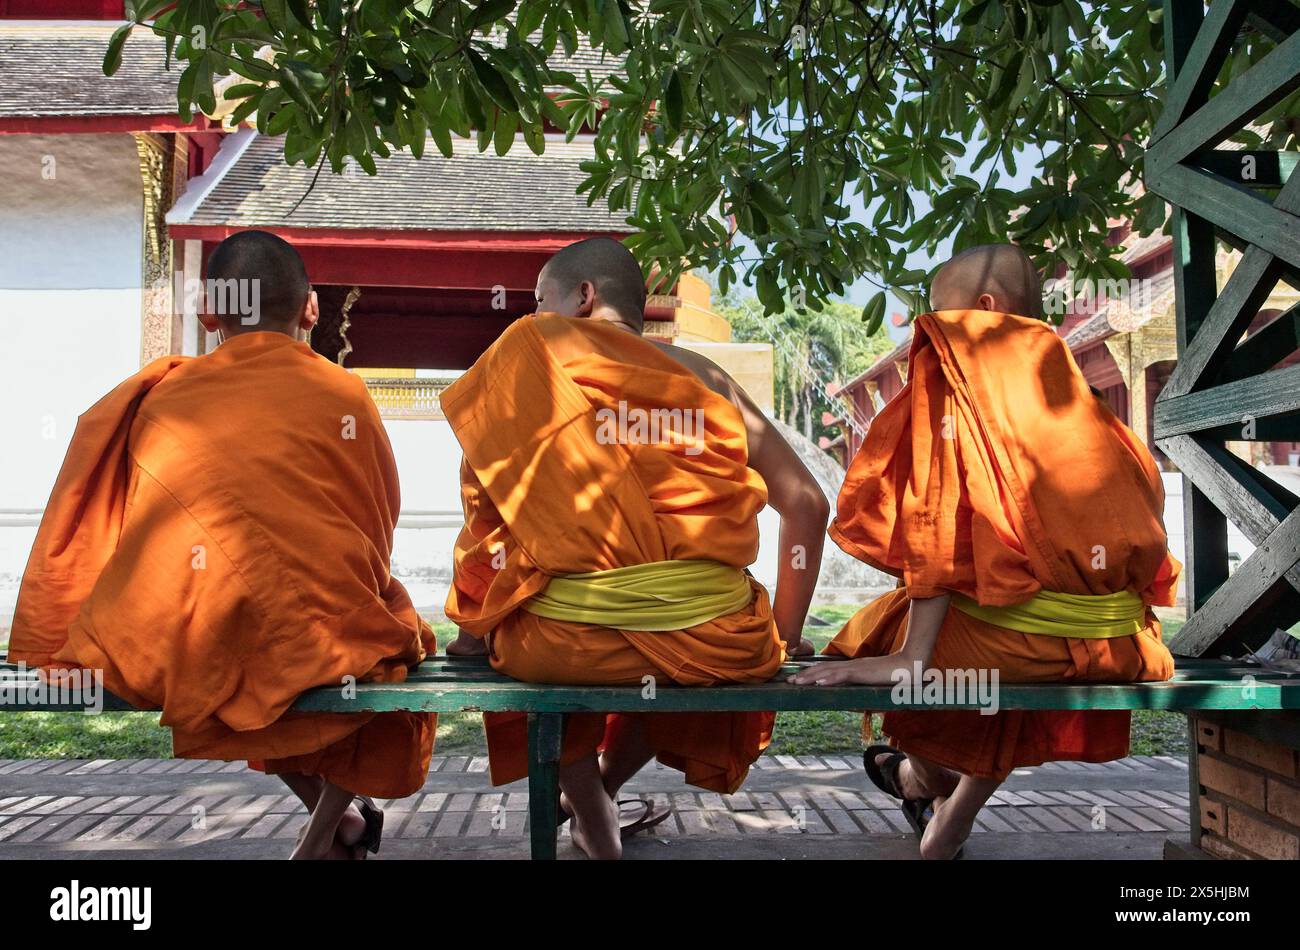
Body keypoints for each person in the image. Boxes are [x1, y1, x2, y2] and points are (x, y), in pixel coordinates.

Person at [8, 230, 437, 859]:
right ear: (311, 309)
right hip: (322, 626)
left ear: (209, 311)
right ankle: (329, 834)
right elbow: (378, 519)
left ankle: (326, 836)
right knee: (353, 659)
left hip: (201, 632)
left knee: (226, 663)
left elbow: (143, 533)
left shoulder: (166, 400)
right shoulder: (345, 394)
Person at [790, 244, 1179, 859]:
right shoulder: (1089, 412)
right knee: (1000, 618)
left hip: (1020, 643)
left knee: (874, 637)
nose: (936, 339)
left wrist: (912, 659)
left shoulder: (960, 395)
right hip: (1119, 645)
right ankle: (946, 807)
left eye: (942, 318)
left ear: (985, 310)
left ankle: (924, 784)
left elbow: (936, 528)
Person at [444, 237, 827, 859]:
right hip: (714, 638)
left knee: (529, 632)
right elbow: (808, 504)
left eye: (541, 302)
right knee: (670, 663)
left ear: (582, 297)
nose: (533, 318)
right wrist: (784, 632)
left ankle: (594, 812)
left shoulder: (528, 358)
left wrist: (470, 630)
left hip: (562, 642)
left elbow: (487, 522)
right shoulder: (710, 379)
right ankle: (601, 800)